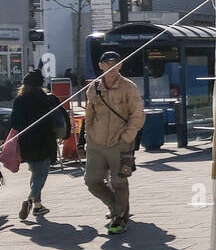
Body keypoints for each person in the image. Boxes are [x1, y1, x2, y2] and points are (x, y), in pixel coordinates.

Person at [82, 50, 145, 235]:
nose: (111, 67)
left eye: (115, 63)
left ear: (120, 66)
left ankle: (118, 217)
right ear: (100, 66)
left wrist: (127, 136)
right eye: (107, 64)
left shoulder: (129, 87)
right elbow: (89, 115)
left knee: (119, 182)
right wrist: (88, 137)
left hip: (120, 143)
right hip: (96, 143)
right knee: (92, 181)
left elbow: (137, 114)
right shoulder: (93, 89)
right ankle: (117, 208)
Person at [9, 71, 70, 220]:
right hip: (45, 142)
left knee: (35, 173)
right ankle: (30, 199)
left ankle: (38, 207)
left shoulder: (19, 100)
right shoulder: (48, 99)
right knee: (41, 175)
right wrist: (66, 134)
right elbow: (62, 118)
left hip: (26, 143)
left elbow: (14, 123)